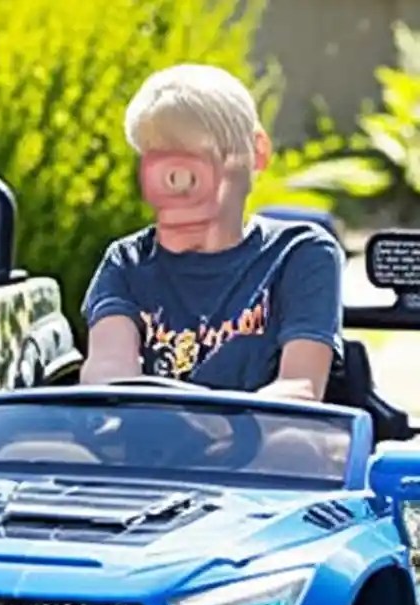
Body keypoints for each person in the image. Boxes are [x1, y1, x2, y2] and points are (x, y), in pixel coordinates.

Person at [80, 63, 346, 402]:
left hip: (265, 442)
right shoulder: (128, 262)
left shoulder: (300, 254)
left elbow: (300, 386)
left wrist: (221, 430)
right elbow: (108, 372)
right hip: (147, 442)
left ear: (258, 153)